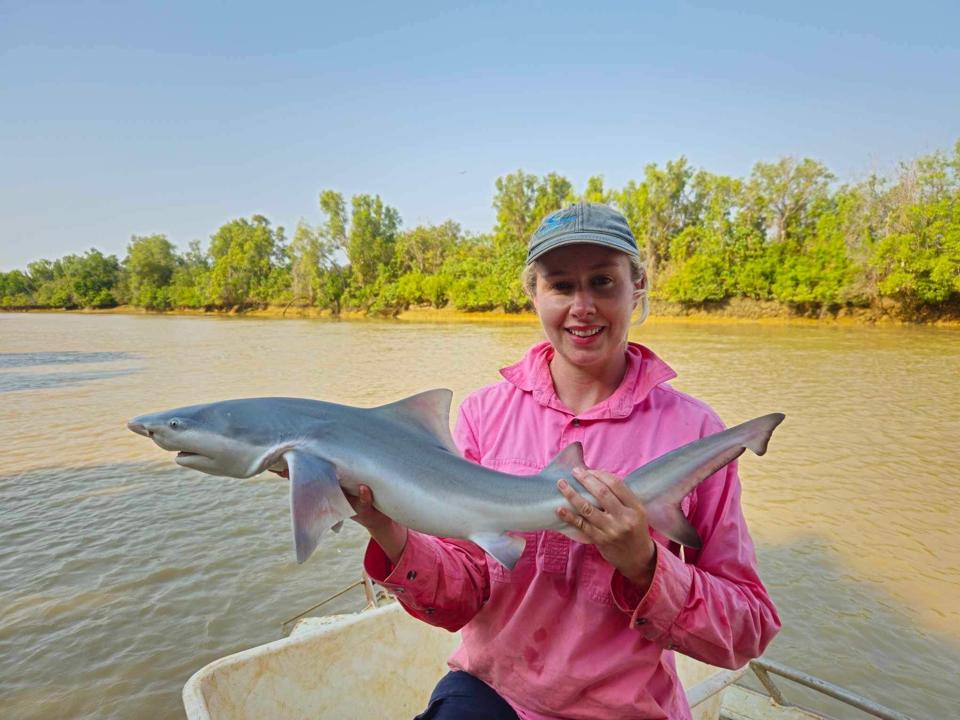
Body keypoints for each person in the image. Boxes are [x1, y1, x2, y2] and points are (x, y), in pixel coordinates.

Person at [350, 202, 781, 719]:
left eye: (602, 282)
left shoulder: (695, 431)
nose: (583, 306)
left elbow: (747, 631)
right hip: (495, 693)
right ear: (533, 293)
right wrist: (385, 526)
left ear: (637, 286)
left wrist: (644, 564)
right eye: (560, 285)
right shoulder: (483, 415)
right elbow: (461, 595)